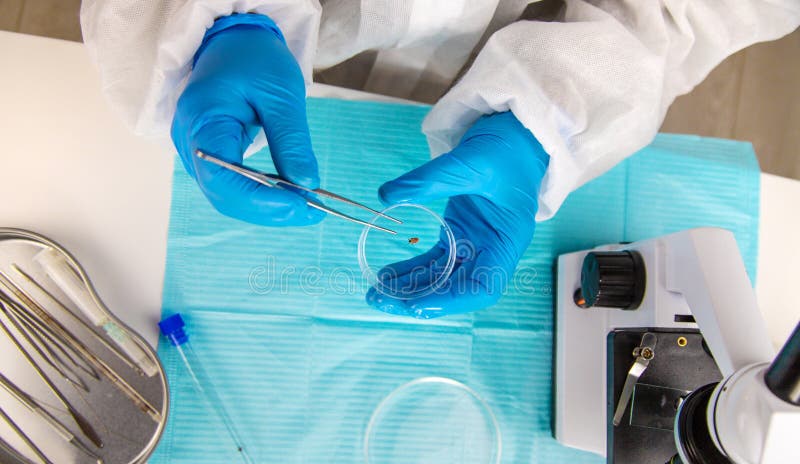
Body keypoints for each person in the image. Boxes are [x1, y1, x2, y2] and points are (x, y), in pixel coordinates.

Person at [80, 1, 799, 318]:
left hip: (530, 44)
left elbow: (686, 11)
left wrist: (542, 122)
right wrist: (219, 22)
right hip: (295, 41)